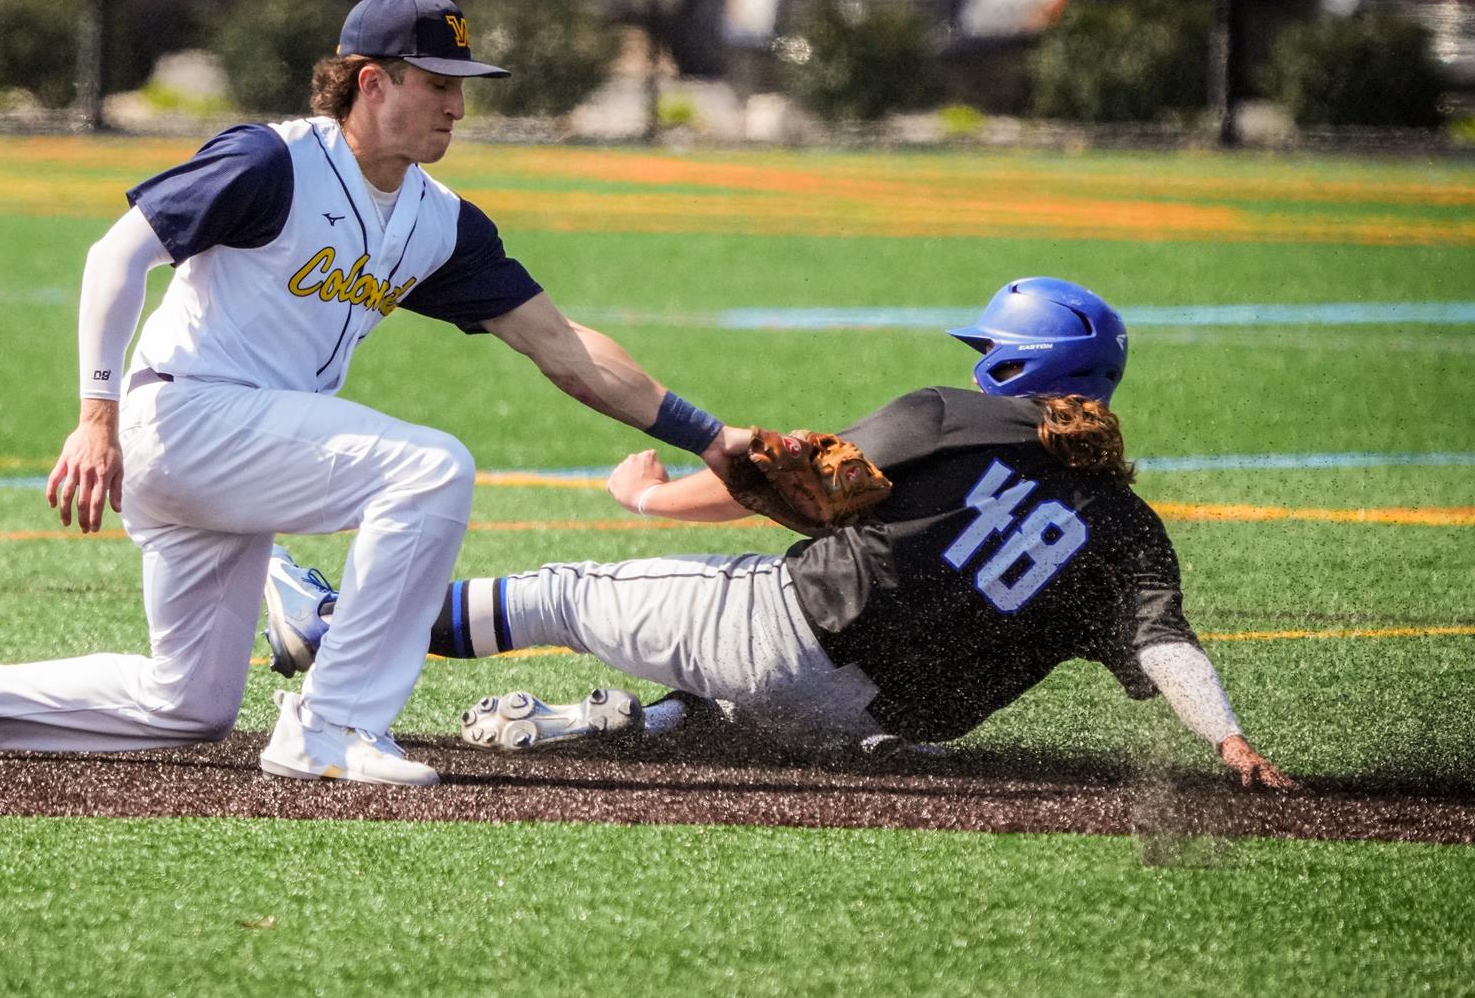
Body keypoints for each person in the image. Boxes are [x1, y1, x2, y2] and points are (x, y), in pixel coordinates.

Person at [0, 0, 749, 787]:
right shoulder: (273, 161)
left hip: (241, 449)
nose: (457, 105)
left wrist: (710, 439)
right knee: (430, 470)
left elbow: (563, 347)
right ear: (371, 82)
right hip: (185, 413)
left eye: (460, 83)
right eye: (437, 81)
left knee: (189, 704)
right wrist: (96, 414)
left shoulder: (436, 223)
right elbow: (117, 252)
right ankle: (332, 722)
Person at [263, 277, 1297, 790]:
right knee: (738, 704)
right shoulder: (1128, 528)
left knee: (568, 592)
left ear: (1011, 367)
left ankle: (327, 626)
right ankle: (613, 726)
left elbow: (791, 486)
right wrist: (1226, 739)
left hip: (785, 640)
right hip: (879, 733)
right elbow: (1163, 646)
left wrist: (646, 500)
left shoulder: (952, 413)